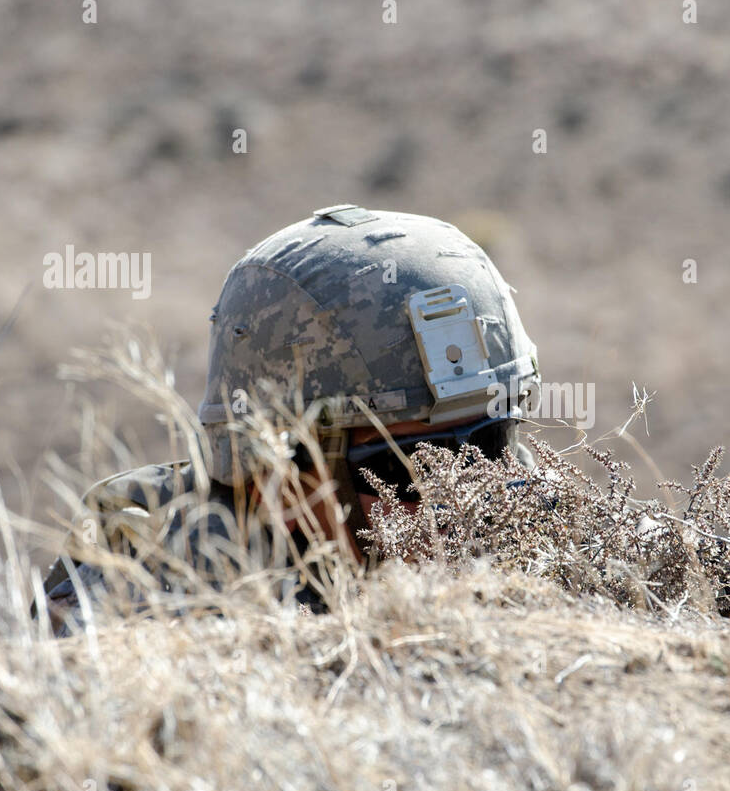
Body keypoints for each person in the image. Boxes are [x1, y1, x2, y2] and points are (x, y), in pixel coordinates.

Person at [39, 204, 542, 628]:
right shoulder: (147, 622)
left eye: (490, 444)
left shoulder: (551, 546)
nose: (466, 495)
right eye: (411, 468)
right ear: (277, 482)